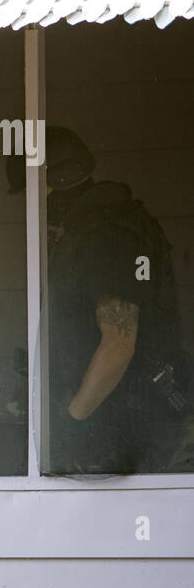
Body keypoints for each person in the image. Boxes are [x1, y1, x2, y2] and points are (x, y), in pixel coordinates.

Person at [18, 126, 189, 475]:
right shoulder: (102, 227)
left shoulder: (106, 234)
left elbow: (119, 344)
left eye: (36, 189)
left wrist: (73, 422)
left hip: (128, 428)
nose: (32, 203)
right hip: (123, 422)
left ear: (58, 182)